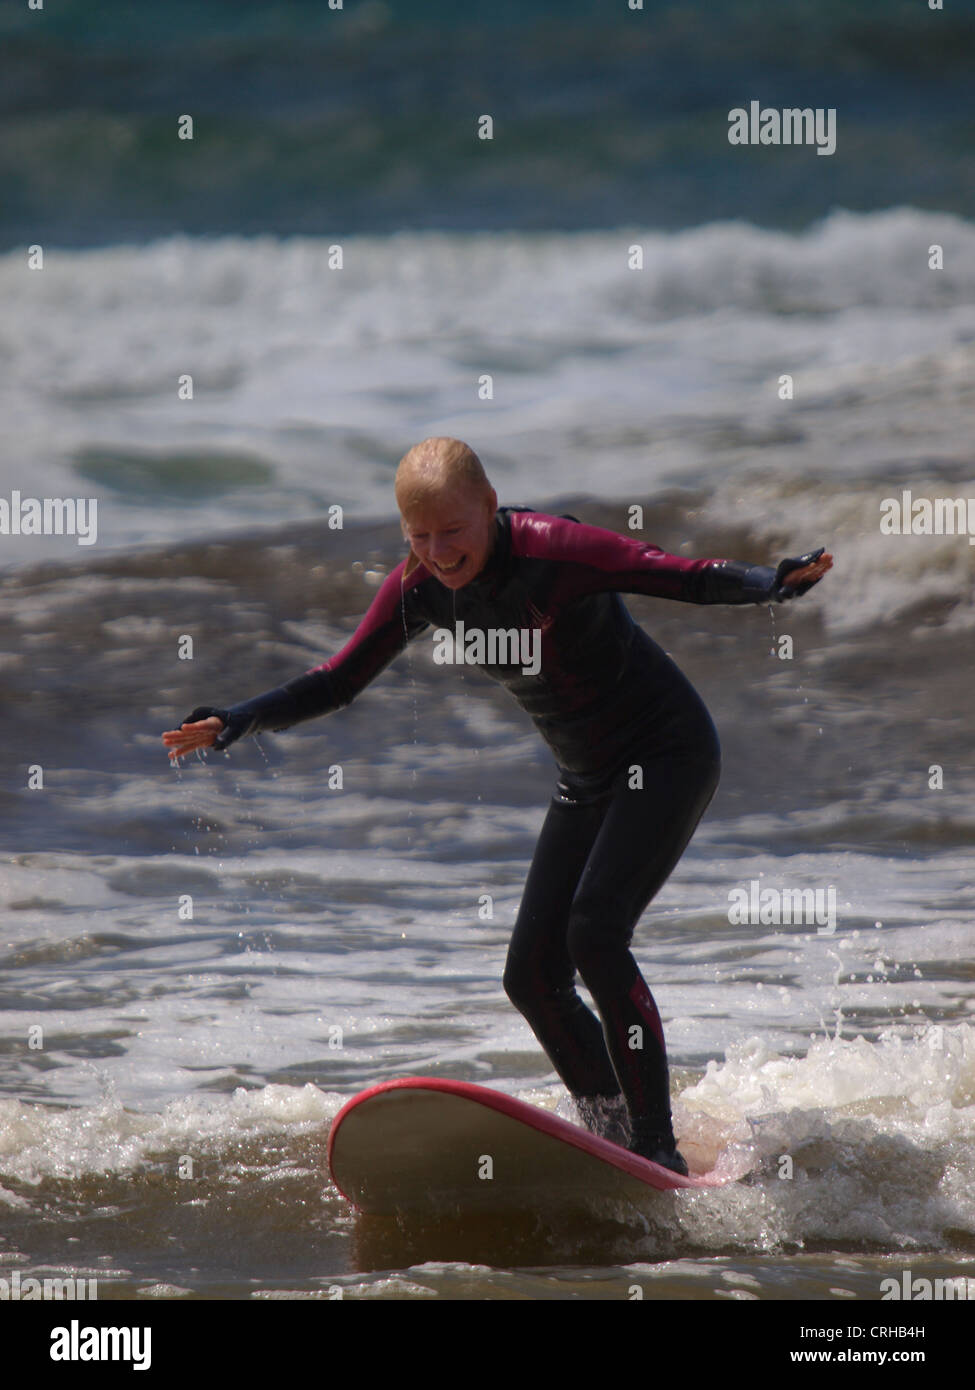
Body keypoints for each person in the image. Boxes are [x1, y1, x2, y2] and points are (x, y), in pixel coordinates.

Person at [162, 437, 832, 1174]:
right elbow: (337, 680)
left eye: (452, 530)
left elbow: (672, 573)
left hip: (667, 752)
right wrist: (237, 720)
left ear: (489, 505)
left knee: (594, 934)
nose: (438, 552)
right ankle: (614, 1133)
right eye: (419, 536)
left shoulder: (555, 550)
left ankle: (655, 1146)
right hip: (585, 777)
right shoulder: (420, 586)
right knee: (532, 979)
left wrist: (768, 582)